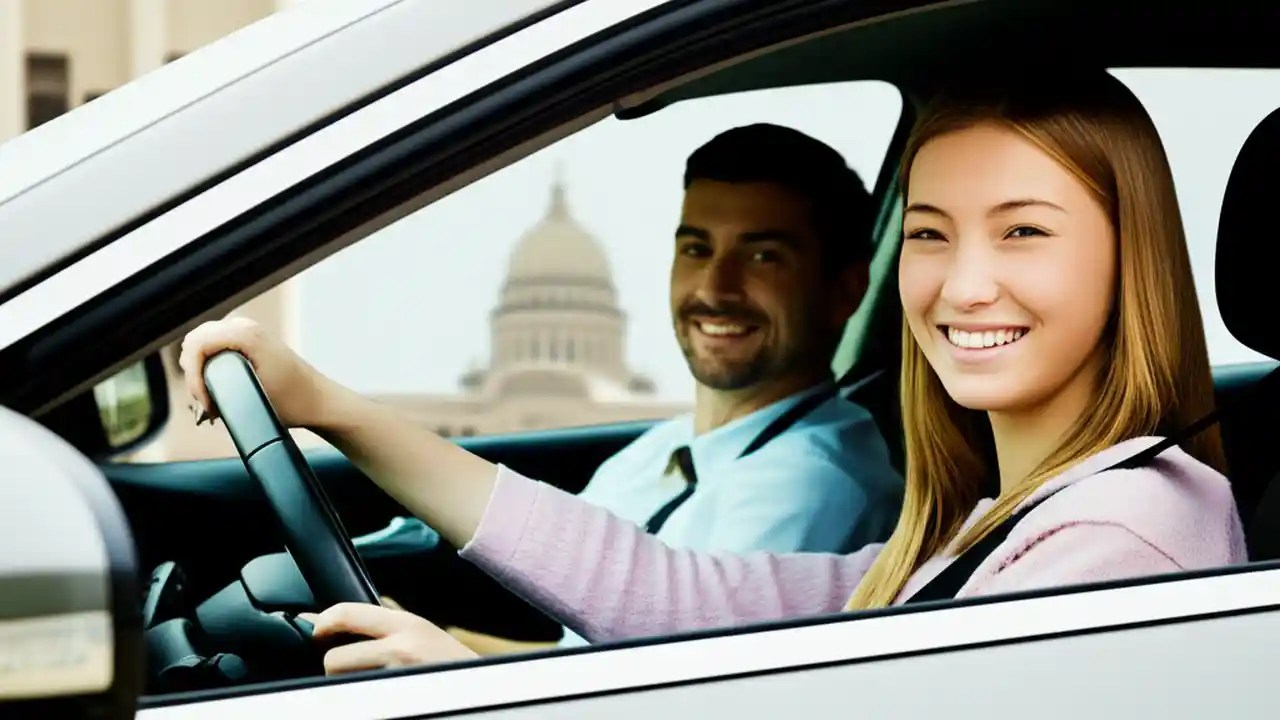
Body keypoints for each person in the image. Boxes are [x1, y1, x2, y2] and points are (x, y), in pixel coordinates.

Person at [181, 71, 1247, 676]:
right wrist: (327, 407)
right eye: (927, 234)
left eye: (1021, 232)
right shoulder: (985, 537)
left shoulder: (1116, 543)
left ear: (1128, 257)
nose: (963, 286)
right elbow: (657, 591)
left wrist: (464, 687)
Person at [435, 124, 903, 654]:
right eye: (697, 249)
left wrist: (440, 660)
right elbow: (592, 660)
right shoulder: (662, 450)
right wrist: (442, 644)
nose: (714, 288)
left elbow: (660, 686)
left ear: (844, 290)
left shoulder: (818, 486)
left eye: (762, 256)